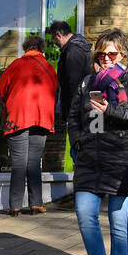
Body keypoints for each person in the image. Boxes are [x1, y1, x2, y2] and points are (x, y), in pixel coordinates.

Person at [68, 29, 128, 255]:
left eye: (111, 53)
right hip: (91, 159)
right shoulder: (87, 82)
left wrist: (108, 111)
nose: (105, 58)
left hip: (123, 159)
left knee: (118, 221)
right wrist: (79, 141)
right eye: (101, 53)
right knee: (84, 212)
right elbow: (73, 117)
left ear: (123, 54)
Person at [0, 34, 58, 214]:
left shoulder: (16, 65)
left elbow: (1, 87)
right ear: (41, 49)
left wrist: (12, 100)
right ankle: (36, 203)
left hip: (18, 117)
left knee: (18, 162)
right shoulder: (48, 67)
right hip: (42, 118)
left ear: (25, 48)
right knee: (33, 162)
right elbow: (55, 90)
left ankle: (15, 206)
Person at [50, 20, 93, 210]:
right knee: (81, 153)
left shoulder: (72, 51)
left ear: (59, 34)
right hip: (83, 110)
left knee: (78, 153)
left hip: (79, 112)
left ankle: (82, 198)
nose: (54, 43)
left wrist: (71, 112)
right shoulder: (80, 47)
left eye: (54, 39)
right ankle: (80, 195)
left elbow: (74, 85)